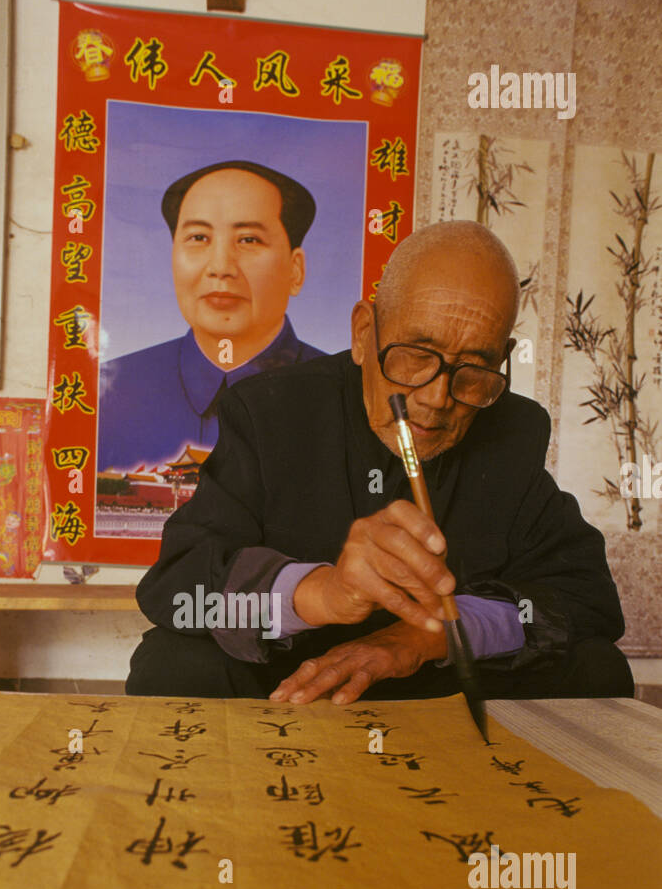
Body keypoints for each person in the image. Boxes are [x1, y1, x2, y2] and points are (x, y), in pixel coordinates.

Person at [126, 221, 632, 704]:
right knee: (172, 663)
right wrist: (321, 593)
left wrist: (432, 634)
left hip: (436, 688)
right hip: (292, 687)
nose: (437, 397)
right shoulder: (271, 411)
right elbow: (179, 592)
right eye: (416, 353)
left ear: (503, 359)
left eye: (474, 367)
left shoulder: (509, 430)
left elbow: (588, 602)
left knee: (597, 668)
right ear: (364, 332)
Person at [97, 160, 324, 472]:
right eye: (199, 238)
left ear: (295, 270)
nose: (220, 267)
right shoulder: (108, 392)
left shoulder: (343, 396)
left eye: (248, 240)